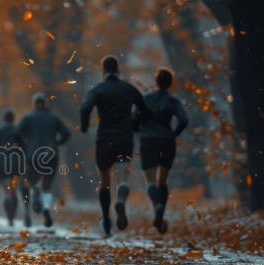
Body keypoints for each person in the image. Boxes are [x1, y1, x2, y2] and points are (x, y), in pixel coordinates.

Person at [80, 55, 150, 236]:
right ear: (117, 69)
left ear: (103, 70)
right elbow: (144, 109)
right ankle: (120, 200)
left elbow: (84, 108)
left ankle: (106, 219)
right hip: (125, 139)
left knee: (104, 181)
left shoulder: (98, 90)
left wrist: (85, 126)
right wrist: (134, 123)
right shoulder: (129, 89)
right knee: (123, 177)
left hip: (105, 140)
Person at [136, 68, 189, 234]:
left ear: (156, 81)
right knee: (162, 181)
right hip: (166, 142)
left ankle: (157, 206)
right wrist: (173, 134)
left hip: (148, 141)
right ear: (170, 83)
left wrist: (140, 130)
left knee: (150, 181)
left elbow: (134, 119)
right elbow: (184, 120)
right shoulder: (172, 101)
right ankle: (161, 213)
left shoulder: (145, 99)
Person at [16, 93, 71, 228]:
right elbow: (67, 133)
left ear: (34, 104)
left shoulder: (28, 118)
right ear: (45, 104)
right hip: (51, 155)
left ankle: (29, 205)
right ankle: (46, 210)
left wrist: (25, 146)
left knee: (27, 183)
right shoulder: (54, 118)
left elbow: (16, 133)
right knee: (47, 186)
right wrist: (57, 143)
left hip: (33, 155)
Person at [0, 110, 23, 226]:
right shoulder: (17, 130)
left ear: (4, 119)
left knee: (6, 189)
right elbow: (24, 146)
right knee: (14, 189)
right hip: (15, 163)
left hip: (1, 163)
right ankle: (12, 215)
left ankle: (8, 206)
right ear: (13, 119)